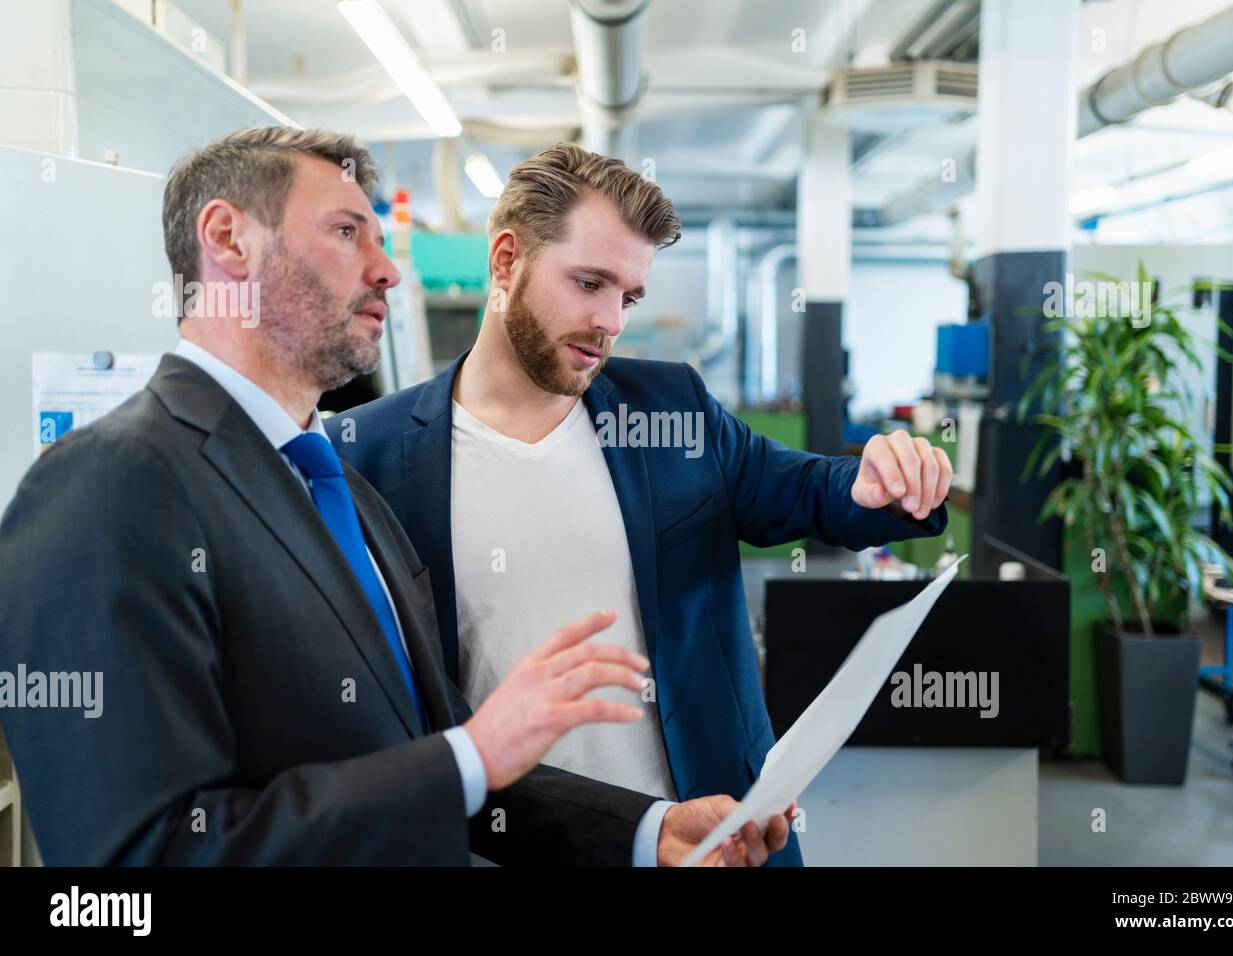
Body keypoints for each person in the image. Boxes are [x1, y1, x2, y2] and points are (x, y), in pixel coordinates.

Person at [0, 127, 791, 866]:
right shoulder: (108, 485)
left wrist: (648, 832)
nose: (387, 269)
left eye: (381, 240)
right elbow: (137, 859)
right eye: (348, 232)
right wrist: (469, 756)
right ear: (228, 241)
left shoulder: (344, 493)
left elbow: (447, 759)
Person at [329, 142, 952, 867]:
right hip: (510, 846)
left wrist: (875, 483)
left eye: (627, 296)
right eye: (588, 283)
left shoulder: (671, 410)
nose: (611, 323)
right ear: (505, 261)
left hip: (715, 834)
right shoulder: (367, 454)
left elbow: (802, 490)